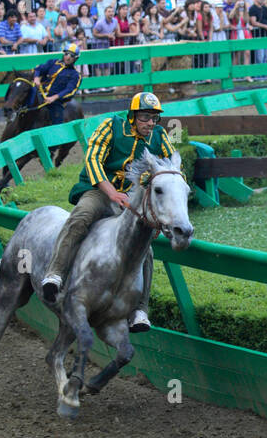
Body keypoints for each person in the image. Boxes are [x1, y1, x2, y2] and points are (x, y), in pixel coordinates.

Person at [39, 91, 176, 330]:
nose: (150, 123)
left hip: (132, 204)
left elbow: (172, 167)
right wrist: (112, 193)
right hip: (101, 193)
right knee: (80, 218)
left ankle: (140, 311)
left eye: (154, 118)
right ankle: (55, 274)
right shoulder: (111, 126)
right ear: (132, 116)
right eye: (145, 117)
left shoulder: (160, 137)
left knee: (147, 251)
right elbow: (93, 160)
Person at [26, 42, 82, 124]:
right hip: (39, 93)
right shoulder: (53, 62)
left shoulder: (75, 75)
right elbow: (38, 68)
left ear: (75, 59)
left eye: (72, 56)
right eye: (67, 54)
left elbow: (70, 91)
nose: (68, 57)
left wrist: (54, 97)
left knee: (57, 120)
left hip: (55, 101)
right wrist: (36, 77)